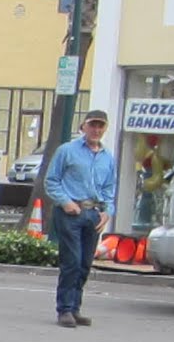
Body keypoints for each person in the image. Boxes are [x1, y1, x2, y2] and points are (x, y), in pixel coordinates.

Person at [43, 109, 118, 328]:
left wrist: (107, 211)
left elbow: (109, 188)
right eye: (92, 125)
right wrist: (65, 202)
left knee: (85, 263)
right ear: (83, 126)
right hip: (71, 212)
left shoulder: (108, 157)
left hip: (93, 214)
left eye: (100, 126)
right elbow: (52, 181)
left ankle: (75, 308)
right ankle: (64, 309)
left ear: (104, 129)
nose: (96, 130)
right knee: (72, 261)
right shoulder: (67, 151)